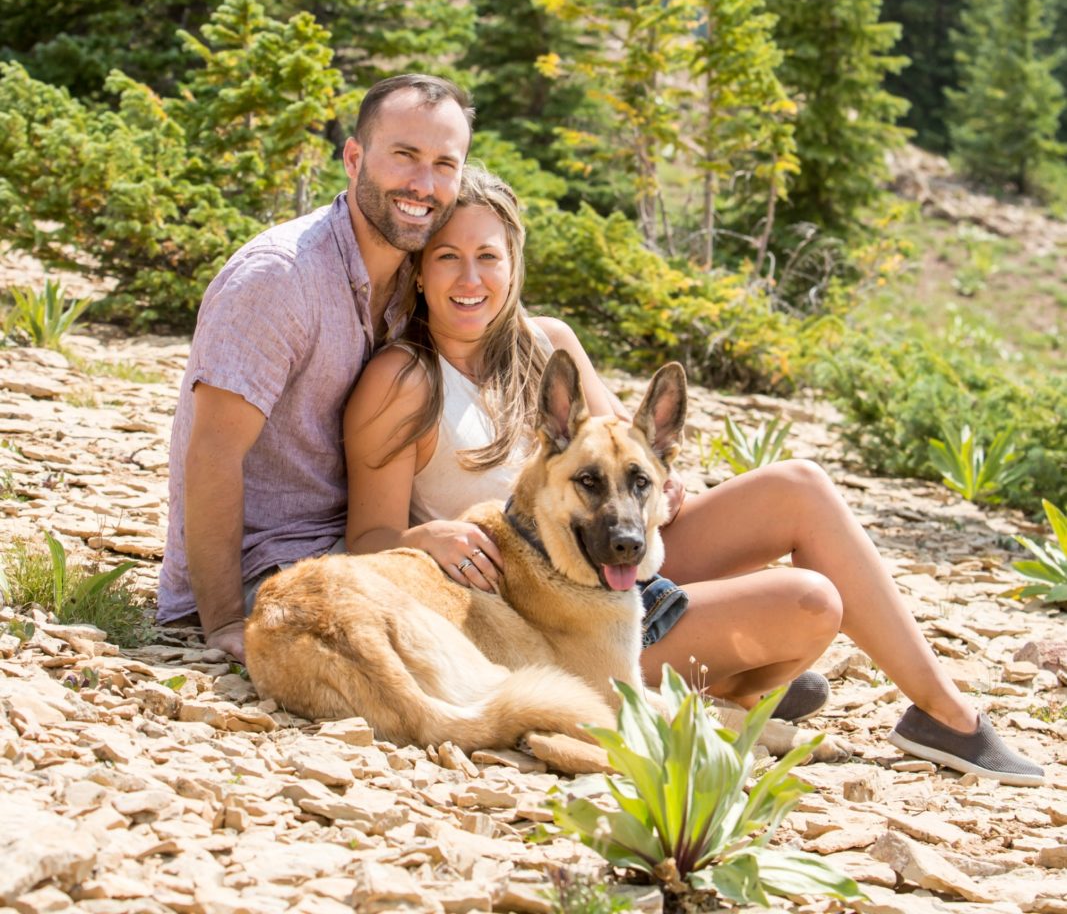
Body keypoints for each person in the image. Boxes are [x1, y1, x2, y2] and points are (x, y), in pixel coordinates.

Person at [344, 167, 1044, 785]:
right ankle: (721, 690)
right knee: (808, 605)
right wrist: (425, 537)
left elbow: (628, 452)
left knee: (798, 485)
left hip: (620, 560)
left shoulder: (547, 341)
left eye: (487, 256)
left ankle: (942, 713)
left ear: (513, 261)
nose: (470, 279)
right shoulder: (402, 381)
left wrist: (666, 487)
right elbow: (365, 541)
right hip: (550, 619)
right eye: (447, 257)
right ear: (419, 270)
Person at [157, 73, 474, 664]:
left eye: (444, 165)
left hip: (365, 547)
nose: (423, 184)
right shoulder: (280, 277)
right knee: (466, 635)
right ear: (353, 158)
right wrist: (223, 621)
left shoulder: (418, 276)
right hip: (269, 570)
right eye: (404, 155)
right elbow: (213, 454)